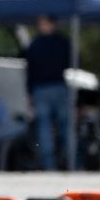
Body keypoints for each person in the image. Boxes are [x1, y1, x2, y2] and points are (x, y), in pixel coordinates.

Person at [24, 14, 72, 170]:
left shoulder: (35, 44)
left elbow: (29, 71)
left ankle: (54, 165)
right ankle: (69, 164)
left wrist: (30, 92)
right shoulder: (63, 43)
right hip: (54, 88)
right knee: (61, 127)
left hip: (48, 88)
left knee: (50, 128)